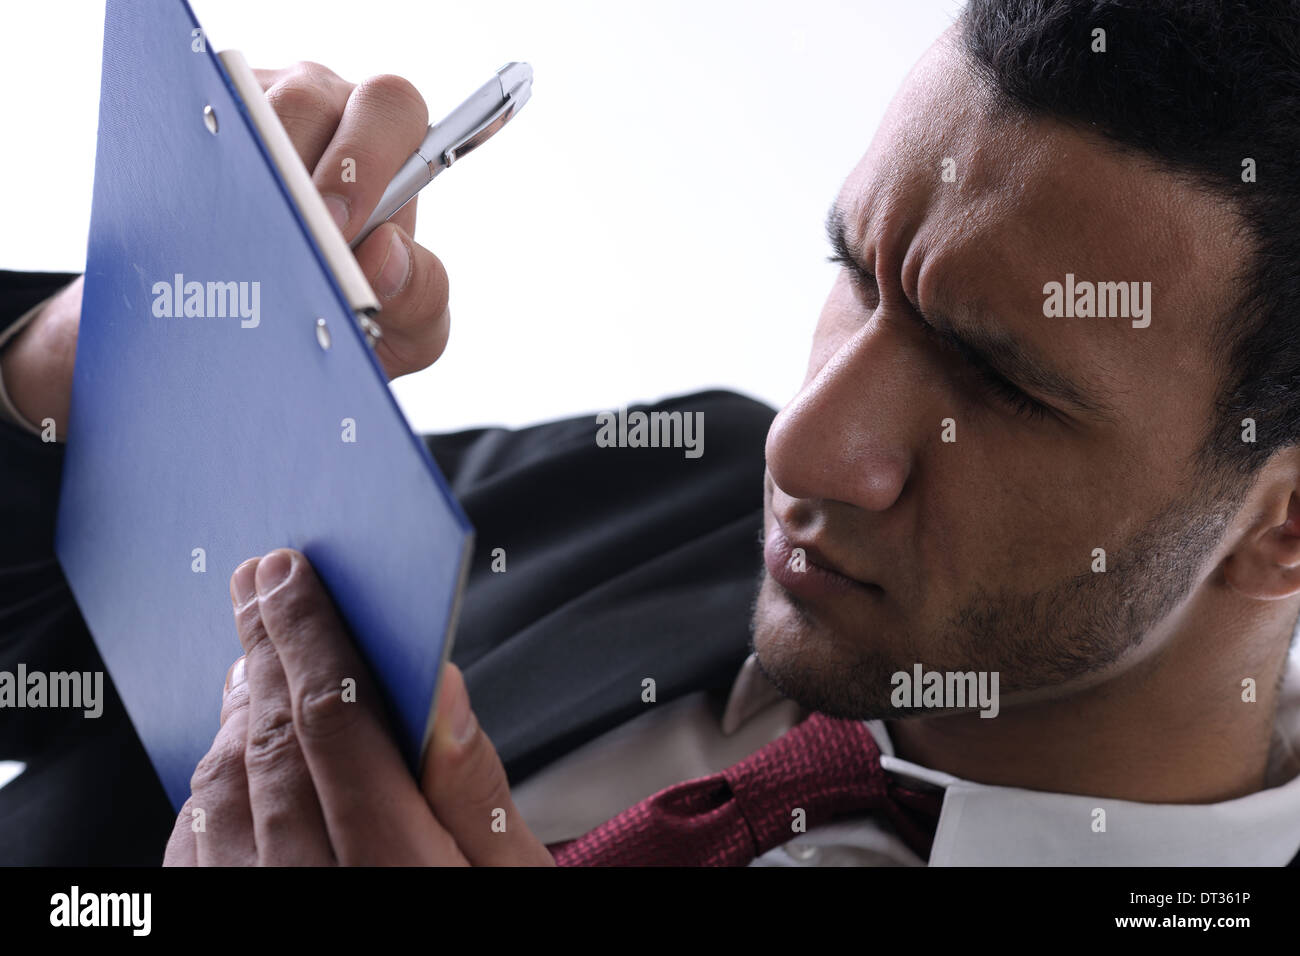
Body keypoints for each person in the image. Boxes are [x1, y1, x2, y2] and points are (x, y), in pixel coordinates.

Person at [3, 0, 1299, 866]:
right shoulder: (681, 477)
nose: (803, 448)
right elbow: (59, 646)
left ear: (1281, 524)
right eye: (853, 271)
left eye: (999, 383)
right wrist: (93, 360)